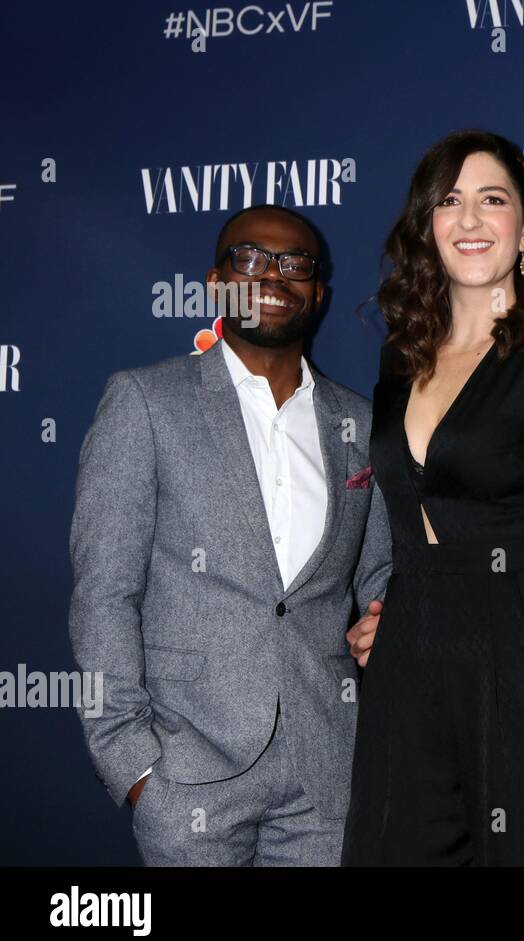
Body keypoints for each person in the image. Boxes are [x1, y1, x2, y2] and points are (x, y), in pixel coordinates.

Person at [341, 130, 524, 865]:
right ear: (427, 226)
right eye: (450, 201)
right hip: (409, 671)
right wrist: (390, 611)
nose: (470, 220)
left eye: (493, 200)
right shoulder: (399, 359)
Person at [68, 204, 393, 865]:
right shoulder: (146, 402)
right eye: (249, 258)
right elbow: (104, 594)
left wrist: (393, 614)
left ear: (318, 292)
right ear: (217, 282)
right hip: (187, 772)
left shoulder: (359, 425)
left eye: (294, 263)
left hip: (325, 775)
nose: (272, 275)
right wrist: (133, 767)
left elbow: (382, 576)